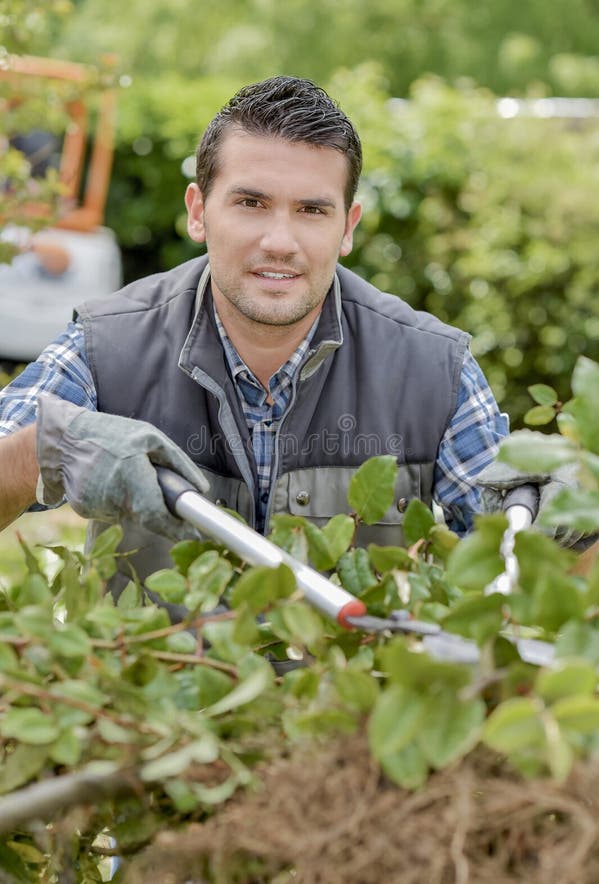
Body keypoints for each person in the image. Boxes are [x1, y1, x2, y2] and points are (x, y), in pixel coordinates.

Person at [0, 76, 508, 601]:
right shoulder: (107, 345)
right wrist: (48, 450)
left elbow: (536, 561)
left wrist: (573, 518)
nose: (280, 242)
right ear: (198, 212)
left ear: (348, 227)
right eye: (251, 203)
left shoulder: (433, 367)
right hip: (166, 676)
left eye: (312, 210)